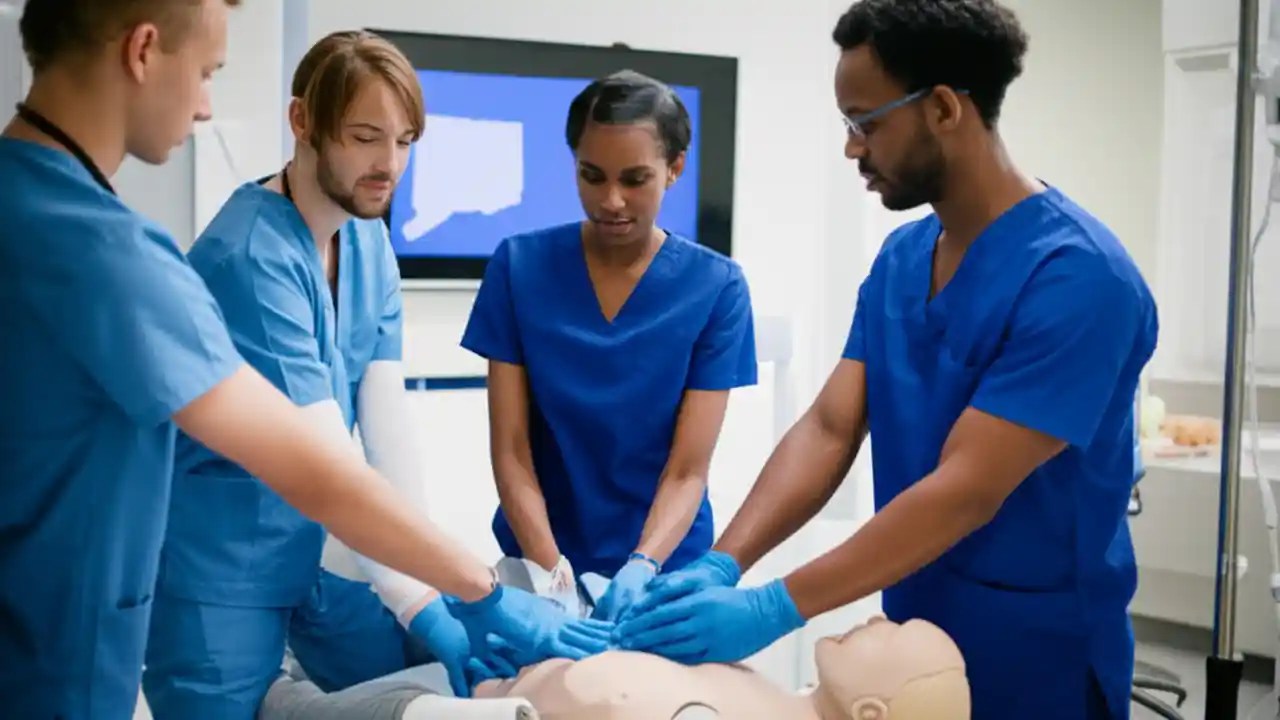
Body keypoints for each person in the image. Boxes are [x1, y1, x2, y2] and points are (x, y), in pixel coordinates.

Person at [0, 3, 604, 718]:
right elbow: (317, 469)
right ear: (142, 51)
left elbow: (381, 440)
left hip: (233, 575)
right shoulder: (123, 253)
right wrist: (480, 593)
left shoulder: (34, 206)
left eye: (405, 141)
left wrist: (437, 602)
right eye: (206, 73)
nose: (205, 107)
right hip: (112, 617)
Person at [615, 2, 1159, 719]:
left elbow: (965, 490)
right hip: (910, 643)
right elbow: (830, 427)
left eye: (865, 123)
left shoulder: (1080, 279)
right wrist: (725, 562)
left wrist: (775, 607)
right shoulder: (905, 257)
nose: (851, 148)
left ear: (943, 109)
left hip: (1036, 656)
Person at [460, 69, 759, 624]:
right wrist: (552, 574)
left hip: (664, 566)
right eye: (591, 176)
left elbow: (687, 470)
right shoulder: (519, 267)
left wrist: (644, 564)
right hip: (539, 558)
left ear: (675, 168)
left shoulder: (716, 287)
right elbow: (512, 451)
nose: (611, 200)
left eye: (635, 179)